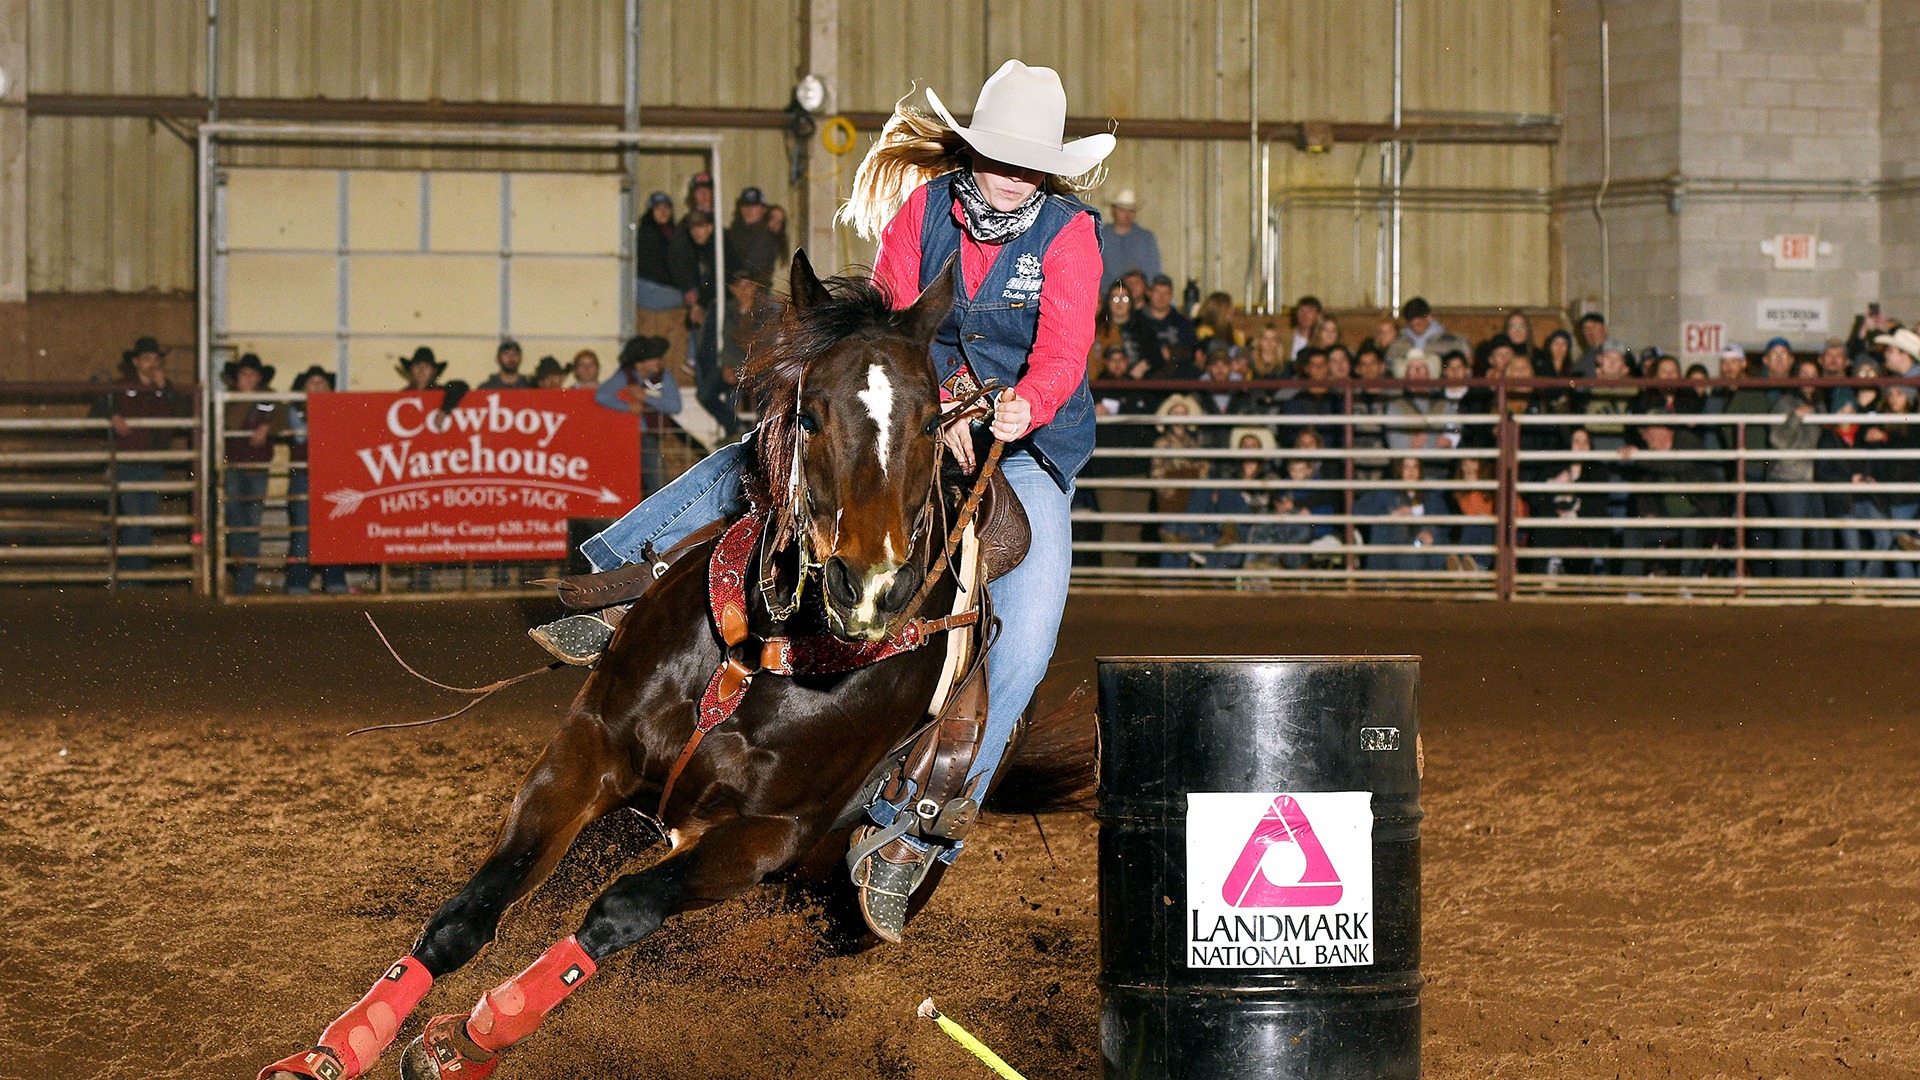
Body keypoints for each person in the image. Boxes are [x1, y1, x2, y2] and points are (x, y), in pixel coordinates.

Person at [532, 59, 1116, 939]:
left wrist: (1013, 409)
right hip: (916, 410)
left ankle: (919, 832)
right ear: (973, 149)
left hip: (1027, 444)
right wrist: (940, 402)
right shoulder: (924, 212)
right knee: (755, 462)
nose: (1011, 174)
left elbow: (1063, 354)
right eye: (1000, 155)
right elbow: (887, 326)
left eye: (1029, 162)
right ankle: (623, 585)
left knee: (1026, 645)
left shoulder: (1070, 236)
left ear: (1049, 169)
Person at [94, 335, 191, 574]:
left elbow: (185, 413)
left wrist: (166, 389)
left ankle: (135, 577)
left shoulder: (165, 388)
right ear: (136, 362)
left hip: (154, 462)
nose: (152, 364)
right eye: (147, 359)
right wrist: (112, 415)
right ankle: (132, 578)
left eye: (156, 359)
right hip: (129, 461)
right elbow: (97, 408)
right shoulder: (122, 386)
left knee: (144, 521)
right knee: (134, 520)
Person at [220, 353, 285, 595]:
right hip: (233, 466)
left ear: (259, 377)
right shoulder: (228, 399)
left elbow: (283, 420)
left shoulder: (270, 397)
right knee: (236, 518)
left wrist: (267, 426)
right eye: (244, 374)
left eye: (253, 374)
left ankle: (244, 582)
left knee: (251, 522)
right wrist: (246, 401)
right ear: (236, 378)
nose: (249, 378)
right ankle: (240, 570)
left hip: (257, 468)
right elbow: (229, 424)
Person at [284, 365, 350, 595]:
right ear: (303, 388)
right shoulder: (295, 408)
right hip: (305, 475)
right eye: (313, 383)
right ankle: (299, 582)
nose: (318, 387)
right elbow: (300, 437)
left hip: (330, 476)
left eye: (322, 383)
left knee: (332, 528)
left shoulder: (339, 409)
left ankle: (331, 580)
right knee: (303, 530)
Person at [595, 335, 682, 494]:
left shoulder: (662, 375)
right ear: (639, 363)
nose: (658, 362)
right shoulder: (625, 375)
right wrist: (628, 407)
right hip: (631, 435)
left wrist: (645, 398)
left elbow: (675, 406)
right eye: (653, 358)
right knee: (655, 478)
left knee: (654, 476)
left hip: (651, 435)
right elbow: (602, 395)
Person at [1099, 188, 1160, 289]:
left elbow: (1153, 272)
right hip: (1107, 295)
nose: (1127, 214)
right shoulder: (1101, 237)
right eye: (1122, 210)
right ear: (1113, 210)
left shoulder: (1146, 238)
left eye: (1131, 210)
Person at [725, 186, 783, 287]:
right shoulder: (731, 233)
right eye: (745, 205)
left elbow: (755, 270)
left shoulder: (767, 237)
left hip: (758, 291)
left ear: (763, 209)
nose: (749, 210)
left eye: (754, 205)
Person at [634, 192, 683, 311]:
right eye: (658, 208)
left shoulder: (673, 232)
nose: (663, 212)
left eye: (666, 207)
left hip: (662, 286)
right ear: (651, 211)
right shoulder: (647, 234)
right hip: (649, 287)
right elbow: (655, 269)